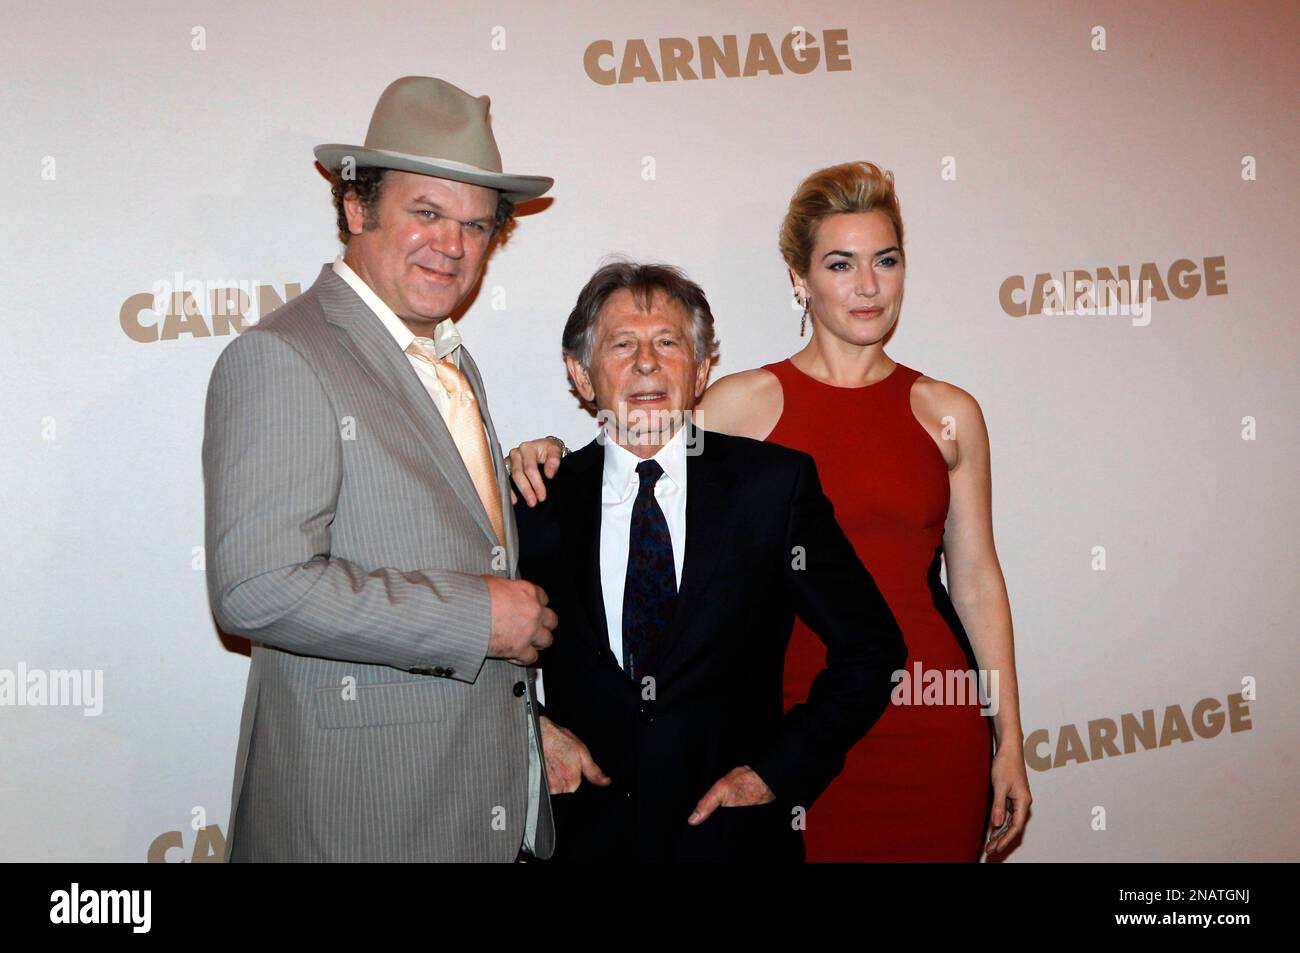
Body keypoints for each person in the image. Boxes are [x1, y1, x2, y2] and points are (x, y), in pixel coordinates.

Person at [511, 162, 1032, 862]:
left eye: (885, 260)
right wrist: (542, 455)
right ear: (800, 278)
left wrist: (1009, 738)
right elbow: (635, 463)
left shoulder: (948, 413)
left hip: (923, 716)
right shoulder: (735, 406)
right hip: (782, 720)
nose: (868, 284)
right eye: (841, 263)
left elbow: (975, 580)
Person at [202, 76, 558, 862]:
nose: (454, 245)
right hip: (360, 821)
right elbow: (256, 585)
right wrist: (477, 619)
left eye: (475, 224)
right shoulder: (285, 355)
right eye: (426, 213)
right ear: (357, 208)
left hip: (474, 812)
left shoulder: (451, 361)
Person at [512, 261, 907, 862]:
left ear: (699, 371)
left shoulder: (773, 487)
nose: (646, 362)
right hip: (583, 840)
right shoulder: (535, 499)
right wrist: (531, 732)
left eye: (667, 342)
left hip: (734, 843)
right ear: (581, 375)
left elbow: (872, 648)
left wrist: (778, 772)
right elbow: (468, 651)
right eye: (622, 344)